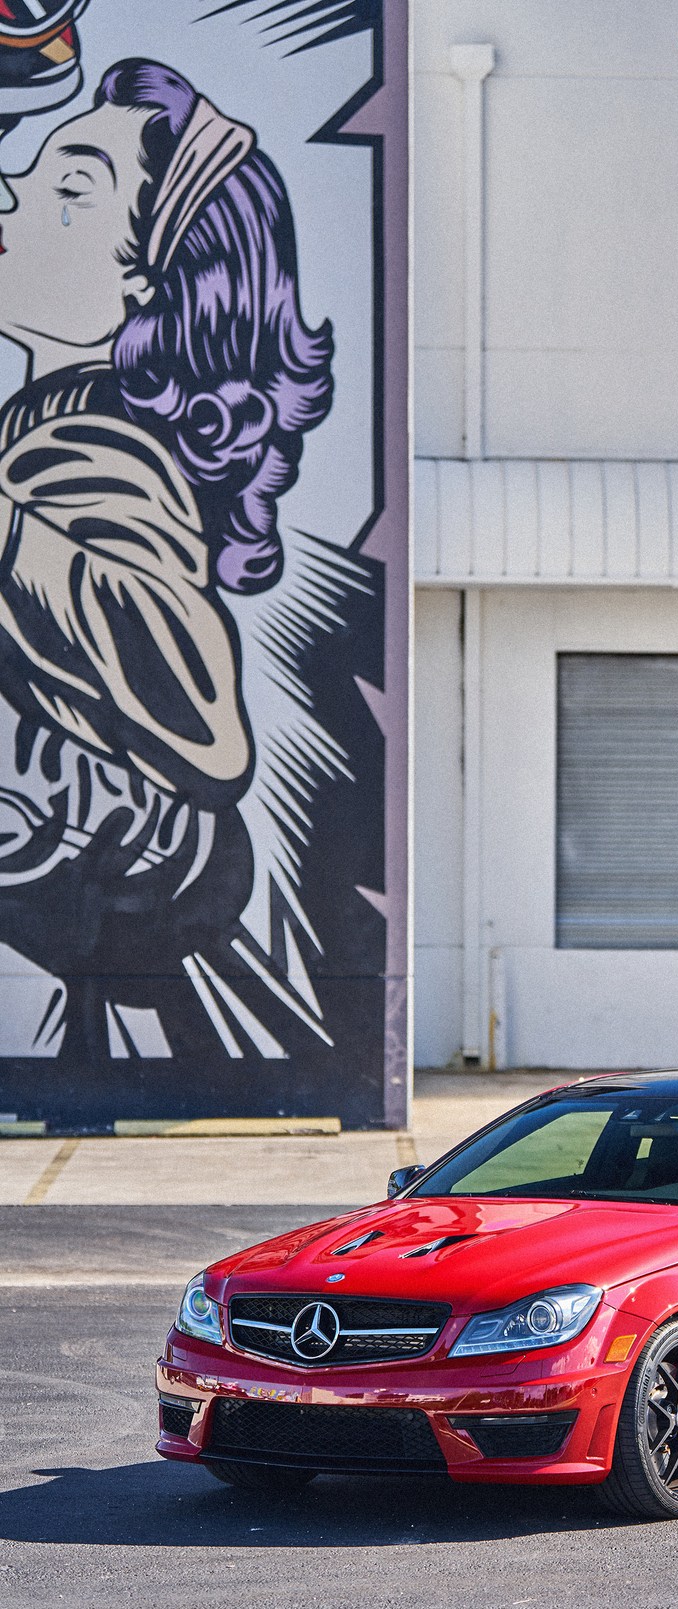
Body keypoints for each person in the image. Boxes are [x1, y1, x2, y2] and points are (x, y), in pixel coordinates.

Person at [0, 57, 333, 1061]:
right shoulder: (47, 428)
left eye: (67, 189)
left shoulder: (100, 446)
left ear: (141, 279)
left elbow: (207, 725)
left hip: (118, 883)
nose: (10, 192)